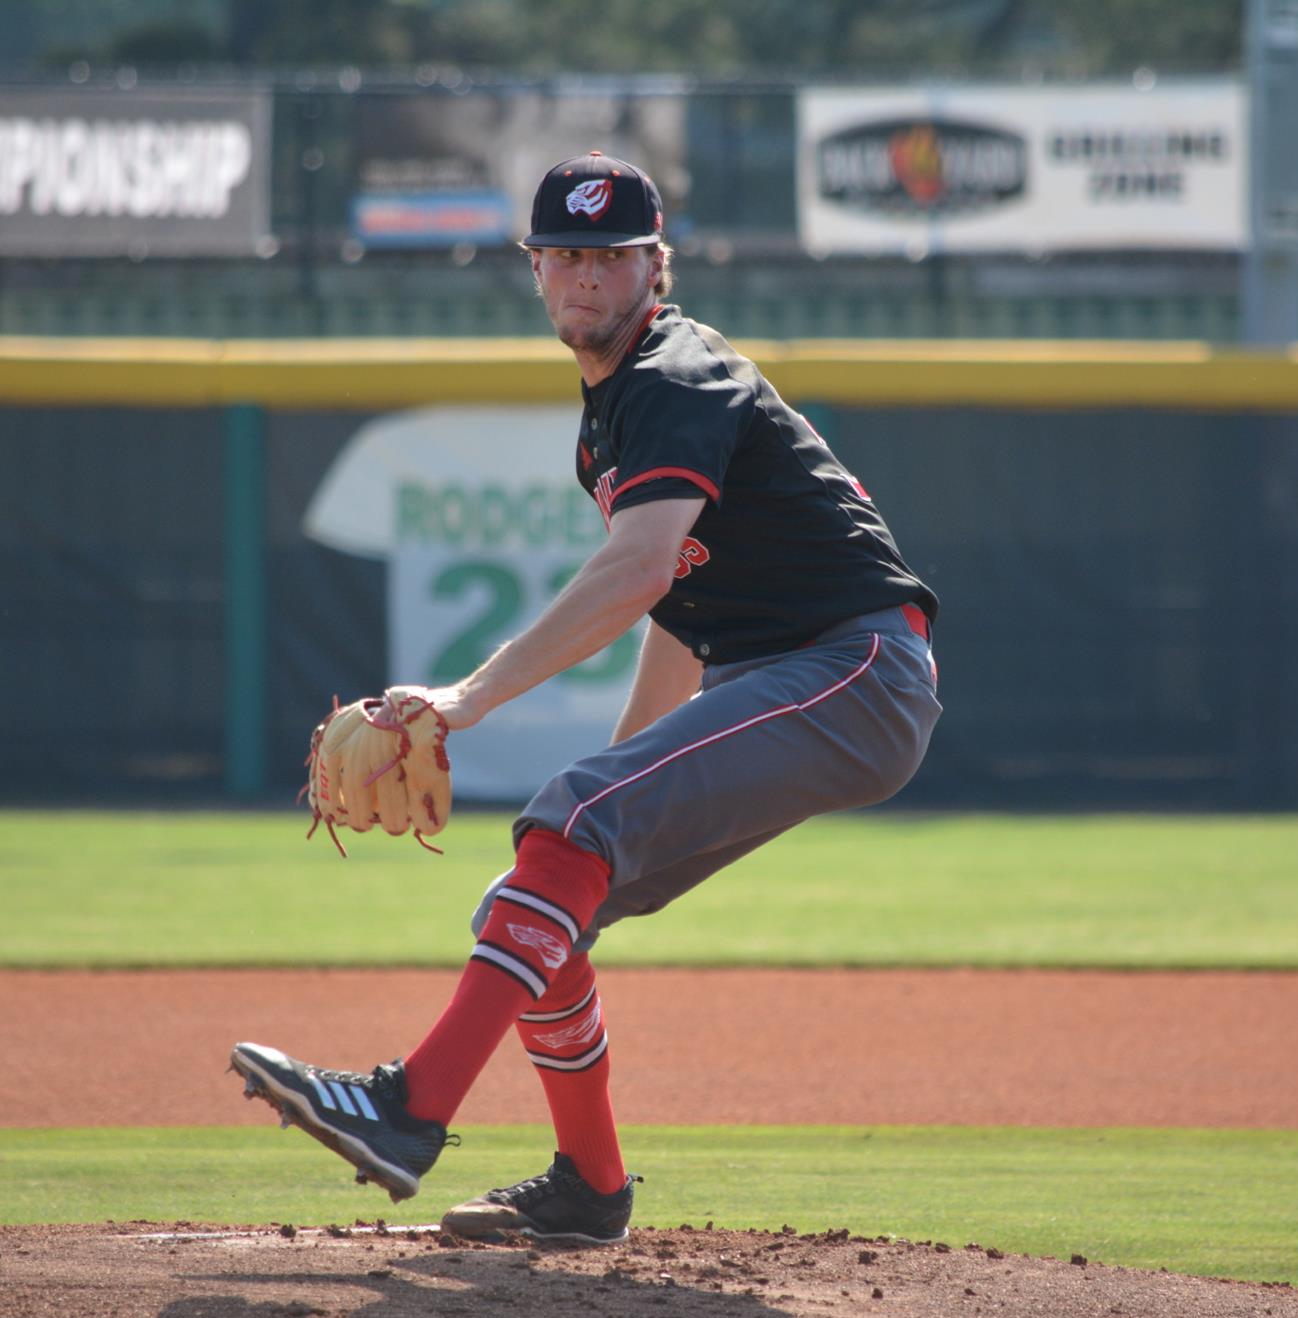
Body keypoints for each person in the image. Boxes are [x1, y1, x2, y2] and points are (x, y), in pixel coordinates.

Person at [231, 151, 941, 1245]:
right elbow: (677, 620)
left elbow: (639, 570)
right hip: (794, 673)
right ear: (534, 270)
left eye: (609, 256)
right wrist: (597, 826)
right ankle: (588, 1188)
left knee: (571, 819)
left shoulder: (672, 372)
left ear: (654, 267)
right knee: (540, 899)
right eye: (563, 253)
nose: (584, 276)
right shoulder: (610, 416)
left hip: (854, 668)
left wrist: (466, 702)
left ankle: (407, 1110)